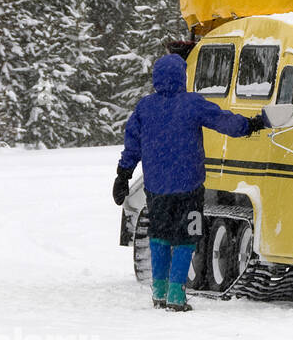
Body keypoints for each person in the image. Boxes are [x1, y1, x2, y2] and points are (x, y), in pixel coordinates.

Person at [113, 53, 267, 311]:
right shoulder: (193, 104)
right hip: (188, 187)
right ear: (182, 77)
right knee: (186, 238)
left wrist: (123, 174)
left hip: (156, 189)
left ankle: (159, 291)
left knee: (160, 237)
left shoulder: (145, 107)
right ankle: (176, 294)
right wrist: (253, 124)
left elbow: (132, 144)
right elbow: (225, 122)